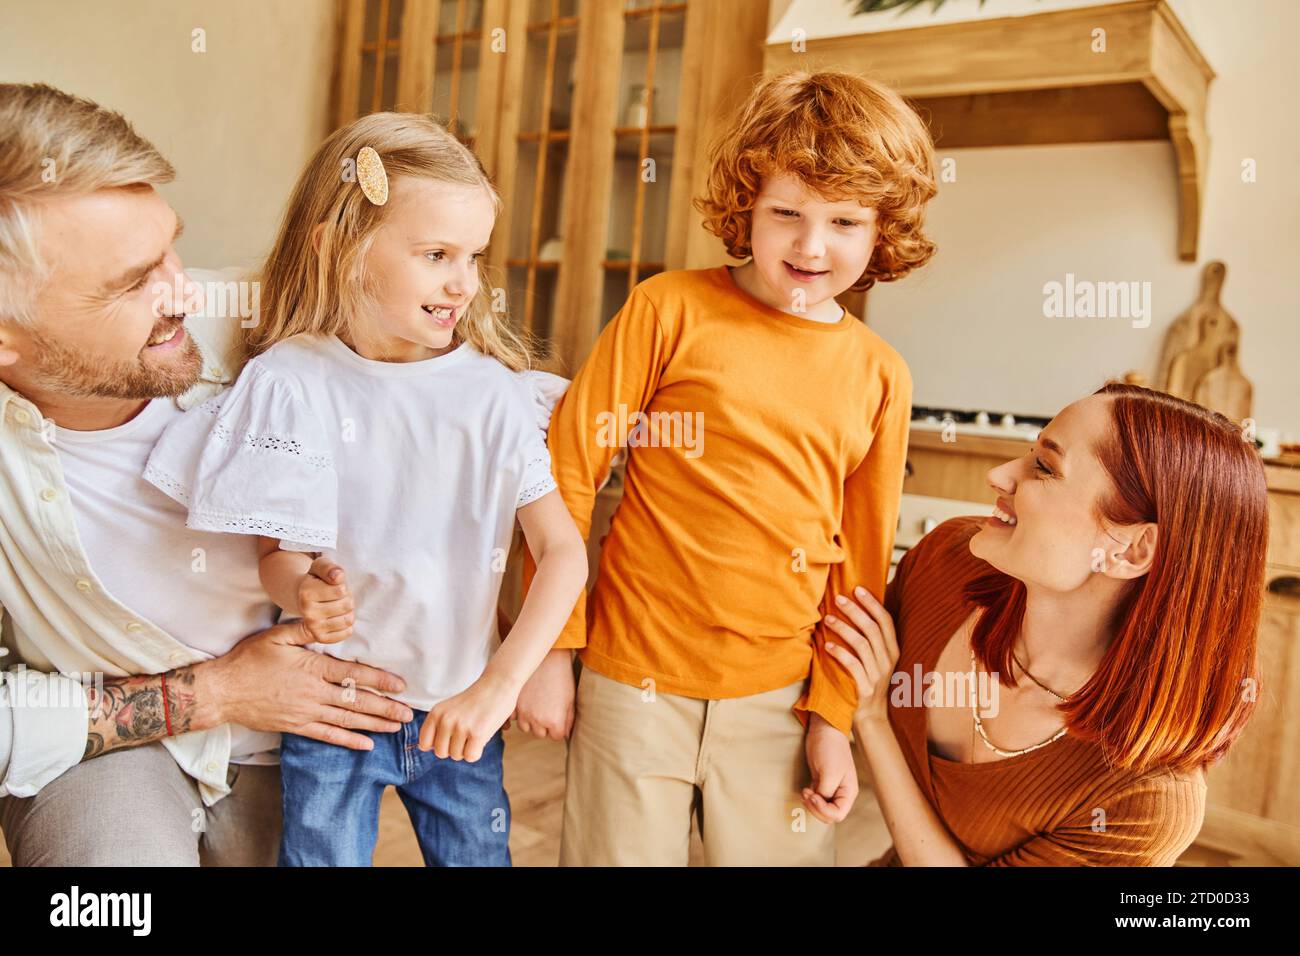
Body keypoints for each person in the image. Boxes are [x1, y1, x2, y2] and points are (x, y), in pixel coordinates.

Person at [514, 70, 938, 865]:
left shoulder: (882, 375)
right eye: (787, 214)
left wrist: (833, 721)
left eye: (844, 220)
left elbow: (861, 569)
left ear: (881, 230)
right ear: (747, 207)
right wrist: (550, 654)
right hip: (631, 680)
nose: (812, 246)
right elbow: (565, 474)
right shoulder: (665, 309)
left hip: (781, 703)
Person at [143, 112, 588, 866]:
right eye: (437, 253)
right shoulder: (290, 382)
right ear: (341, 250)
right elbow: (281, 559)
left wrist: (500, 686)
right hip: (335, 716)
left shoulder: (491, 396)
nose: (463, 282)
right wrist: (302, 588)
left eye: (474, 256)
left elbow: (564, 554)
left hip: (458, 711)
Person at [823, 384, 1266, 865]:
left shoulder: (1148, 801)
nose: (997, 476)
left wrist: (872, 720)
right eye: (1029, 453)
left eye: (1045, 468)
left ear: (1132, 549)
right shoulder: (947, 563)